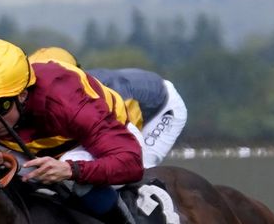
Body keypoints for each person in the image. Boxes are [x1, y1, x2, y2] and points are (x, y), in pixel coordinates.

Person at [0, 39, 166, 224]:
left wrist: (71, 170)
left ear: (23, 95)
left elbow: (131, 163)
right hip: (53, 141)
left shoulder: (65, 101)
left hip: (124, 131)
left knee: (72, 176)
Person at [29, 46, 188, 167]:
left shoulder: (91, 102)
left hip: (161, 107)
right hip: (135, 93)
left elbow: (119, 148)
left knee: (136, 167)